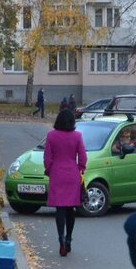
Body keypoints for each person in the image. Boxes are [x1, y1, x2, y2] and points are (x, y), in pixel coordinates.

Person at [43, 108, 86, 256]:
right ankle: (69, 238)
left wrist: (49, 171)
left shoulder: (51, 136)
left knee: (60, 209)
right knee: (70, 209)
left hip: (57, 174)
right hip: (72, 174)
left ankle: (60, 239)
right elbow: (83, 157)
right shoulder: (77, 136)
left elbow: (47, 158)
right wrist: (80, 169)